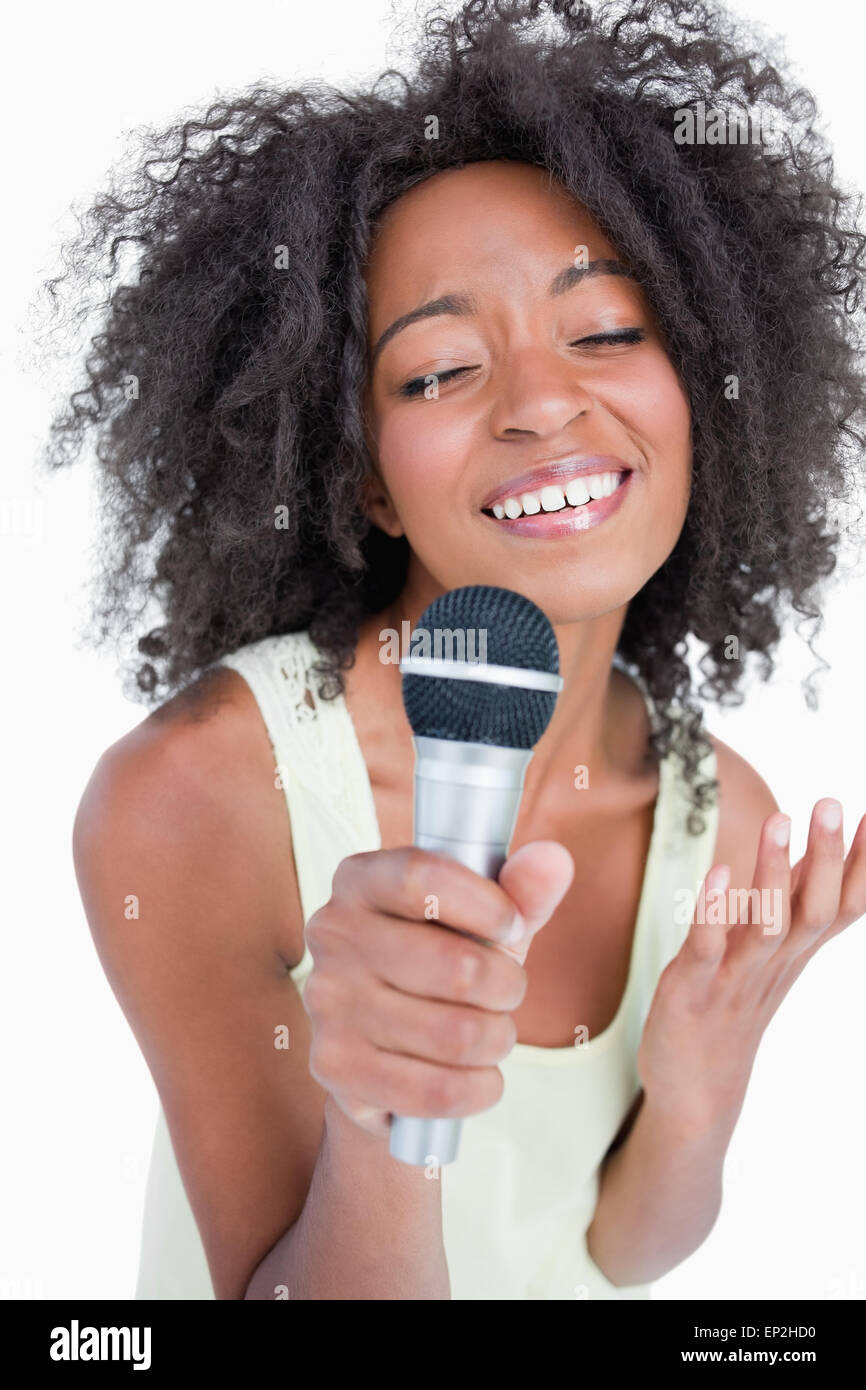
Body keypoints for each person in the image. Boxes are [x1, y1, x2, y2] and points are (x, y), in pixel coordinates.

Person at [50, 0, 866, 1299]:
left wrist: (701, 1081)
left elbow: (617, 1246)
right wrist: (386, 1123)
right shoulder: (197, 797)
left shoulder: (721, 821)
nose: (544, 400)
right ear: (362, 478)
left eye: (604, 332)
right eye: (436, 371)